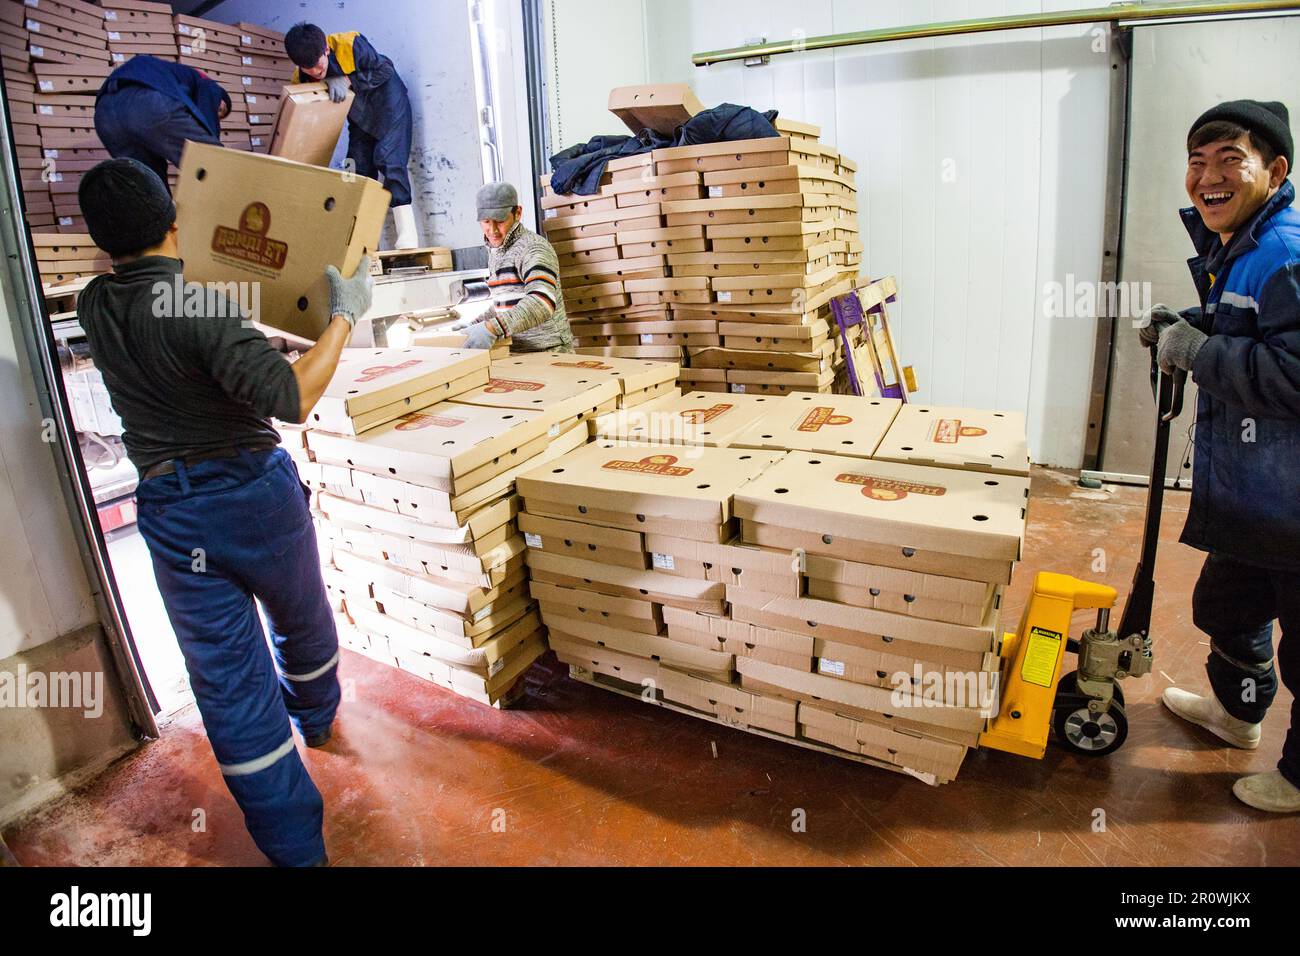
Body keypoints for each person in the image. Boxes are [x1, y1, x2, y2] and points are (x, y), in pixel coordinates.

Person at [75, 158, 375, 865]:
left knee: (229, 684)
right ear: (175, 222)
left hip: (173, 513)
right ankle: (319, 717)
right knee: (300, 618)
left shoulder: (95, 304)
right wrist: (342, 317)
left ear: (102, 243)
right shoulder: (200, 308)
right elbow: (293, 397)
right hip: (250, 495)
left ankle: (296, 850)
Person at [1139, 99, 1300, 813]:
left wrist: (1202, 353)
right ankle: (1239, 717)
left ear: (1276, 171)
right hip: (1257, 491)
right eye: (1198, 162)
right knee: (1226, 607)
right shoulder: (1239, 244)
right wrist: (1191, 324)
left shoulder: (1286, 254)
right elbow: (1255, 330)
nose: (1208, 176)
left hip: (1294, 502)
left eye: (1230, 159)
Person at [284, 23, 417, 249]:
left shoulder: (350, 45)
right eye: (308, 69)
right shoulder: (301, 78)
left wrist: (348, 81)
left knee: (389, 160)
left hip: (388, 103)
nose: (316, 72)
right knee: (356, 170)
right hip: (359, 116)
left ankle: (408, 236)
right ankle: (364, 243)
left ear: (326, 49)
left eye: (318, 65)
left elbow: (385, 69)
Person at [463, 181, 573, 353]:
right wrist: (471, 327)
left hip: (549, 352)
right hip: (517, 352)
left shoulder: (533, 248)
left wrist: (492, 328)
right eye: (486, 221)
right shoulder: (496, 252)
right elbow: (506, 303)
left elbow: (541, 301)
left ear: (517, 213)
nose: (492, 230)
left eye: (500, 221)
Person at [94, 55, 231, 190]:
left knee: (149, 188)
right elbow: (208, 131)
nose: (217, 114)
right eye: (220, 110)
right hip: (147, 103)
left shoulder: (173, 74)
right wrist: (212, 147)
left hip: (104, 114)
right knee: (217, 163)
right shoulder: (209, 84)